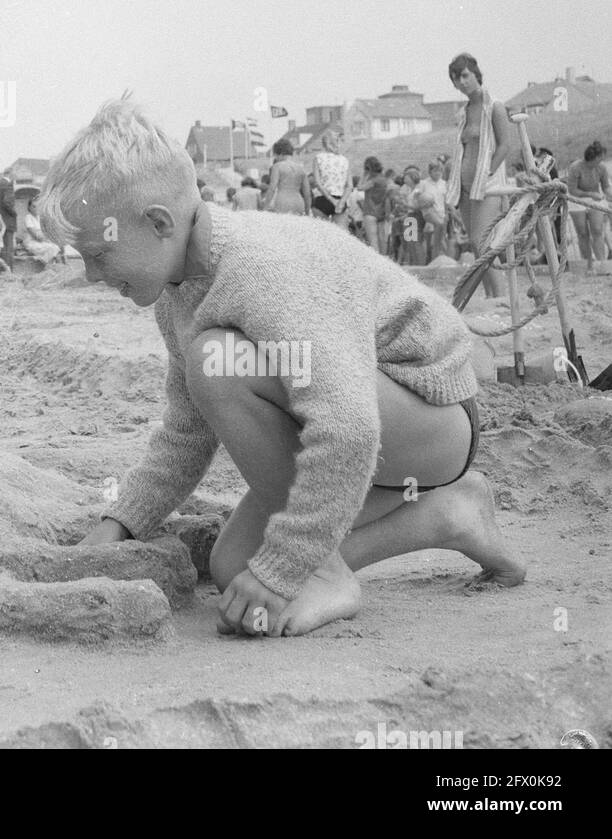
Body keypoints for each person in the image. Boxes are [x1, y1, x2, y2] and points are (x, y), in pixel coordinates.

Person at [37, 96, 524, 638]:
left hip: (431, 415)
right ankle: (449, 515)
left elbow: (348, 426)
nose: (88, 275)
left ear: (159, 223)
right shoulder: (177, 290)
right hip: (376, 437)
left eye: (98, 254)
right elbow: (186, 431)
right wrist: (122, 522)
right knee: (232, 569)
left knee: (216, 361)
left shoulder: (260, 271)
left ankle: (325, 574)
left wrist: (290, 566)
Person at [445, 53, 511, 300]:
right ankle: (490, 296)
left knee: (482, 242)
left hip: (487, 186)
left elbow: (505, 145)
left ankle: (501, 297)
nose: (461, 82)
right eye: (455, 79)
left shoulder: (494, 106)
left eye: (464, 75)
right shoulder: (463, 111)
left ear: (475, 74)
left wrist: (488, 173)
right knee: (474, 245)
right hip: (464, 187)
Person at [566, 141, 610, 273]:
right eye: (600, 157)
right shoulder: (575, 167)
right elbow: (572, 190)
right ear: (594, 157)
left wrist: (609, 195)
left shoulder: (601, 168)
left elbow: (606, 187)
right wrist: (589, 193)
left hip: (595, 200)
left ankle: (602, 263)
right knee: (583, 233)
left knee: (597, 230)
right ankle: (588, 264)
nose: (602, 159)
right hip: (577, 201)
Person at [264, 138, 311, 215]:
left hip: (283, 201)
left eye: (275, 155)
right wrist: (307, 211)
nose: (275, 158)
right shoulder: (301, 169)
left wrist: (265, 208)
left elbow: (272, 188)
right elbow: (307, 193)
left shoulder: (277, 166)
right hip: (299, 202)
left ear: (279, 153)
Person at [310, 131, 349, 222]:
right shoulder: (344, 160)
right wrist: (341, 202)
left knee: (322, 234)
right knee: (341, 234)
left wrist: (331, 200)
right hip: (340, 199)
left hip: (322, 199)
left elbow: (318, 183)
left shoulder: (318, 158)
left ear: (324, 144)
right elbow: (349, 186)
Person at [416, 161, 449, 262]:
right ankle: (433, 257)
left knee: (440, 239)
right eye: (435, 171)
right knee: (435, 231)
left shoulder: (444, 184)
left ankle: (436, 258)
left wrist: (447, 213)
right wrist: (422, 201)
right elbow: (416, 195)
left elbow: (446, 201)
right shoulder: (423, 183)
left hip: (441, 213)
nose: (438, 173)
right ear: (430, 172)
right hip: (428, 213)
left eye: (440, 171)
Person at [358, 156, 389, 256]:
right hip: (381, 212)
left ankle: (377, 266)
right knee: (382, 241)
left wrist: (364, 175)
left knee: (373, 242)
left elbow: (359, 187)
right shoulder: (384, 180)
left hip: (370, 211)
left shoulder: (373, 181)